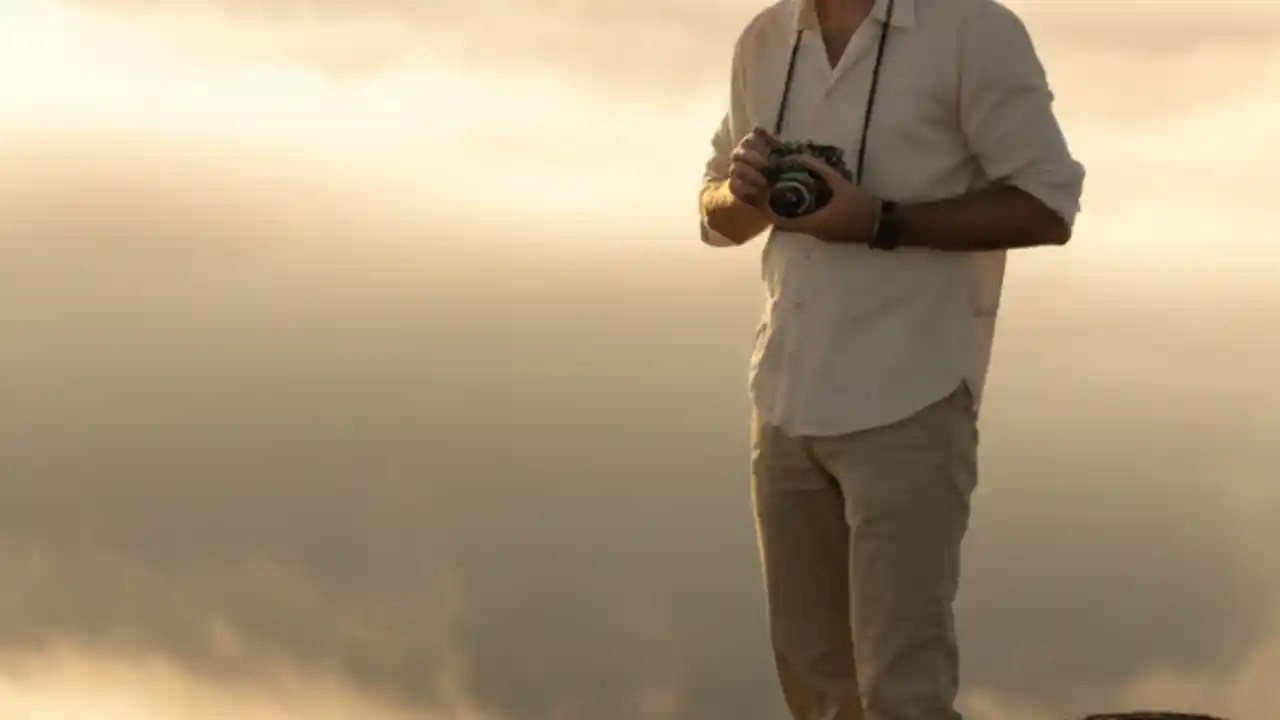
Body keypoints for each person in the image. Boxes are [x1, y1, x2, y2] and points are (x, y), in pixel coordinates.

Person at [697, 0, 1085, 718]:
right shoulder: (765, 37)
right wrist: (742, 191)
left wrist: (879, 221)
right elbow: (716, 214)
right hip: (784, 393)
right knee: (815, 693)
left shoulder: (973, 31)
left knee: (903, 692)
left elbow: (1047, 204)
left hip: (913, 393)